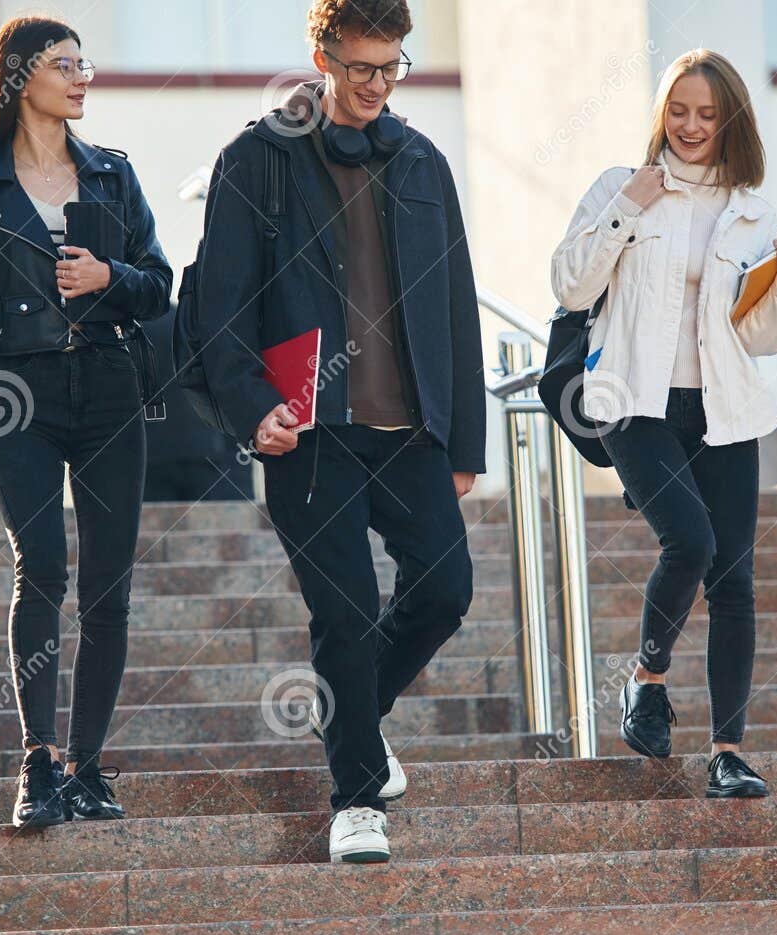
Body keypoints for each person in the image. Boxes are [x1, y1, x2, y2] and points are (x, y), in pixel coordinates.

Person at [197, 0, 485, 864]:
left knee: (446, 590)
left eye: (392, 66)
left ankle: (350, 718)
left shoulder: (422, 161)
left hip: (409, 430)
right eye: (361, 67)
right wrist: (252, 407)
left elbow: (455, 306)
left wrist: (463, 439)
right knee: (346, 610)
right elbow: (219, 307)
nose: (377, 84)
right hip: (309, 432)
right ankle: (356, 800)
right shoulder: (257, 159)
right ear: (321, 56)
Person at [551, 48, 777, 799]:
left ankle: (728, 753)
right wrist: (625, 209)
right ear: (661, 113)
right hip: (632, 401)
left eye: (706, 114)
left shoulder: (753, 213)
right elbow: (570, 285)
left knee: (734, 582)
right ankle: (647, 676)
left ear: (731, 121)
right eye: (678, 110)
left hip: (723, 408)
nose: (691, 126)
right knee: (690, 541)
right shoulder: (620, 186)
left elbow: (759, 337)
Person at [0, 16, 173, 828]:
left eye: (83, 64)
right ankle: (38, 764)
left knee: (108, 584)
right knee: (40, 570)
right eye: (63, 65)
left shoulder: (112, 175)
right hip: (20, 398)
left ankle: (89, 769)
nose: (80, 78)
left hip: (109, 389)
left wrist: (109, 276)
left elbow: (160, 285)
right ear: (19, 77)